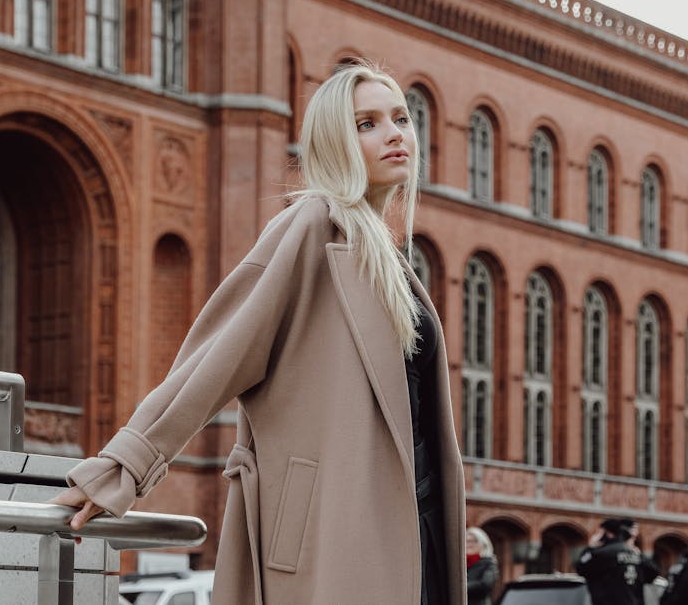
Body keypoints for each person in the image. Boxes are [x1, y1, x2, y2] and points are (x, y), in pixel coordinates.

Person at [50, 60, 466, 604]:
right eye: (367, 124)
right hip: (337, 534)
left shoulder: (387, 258)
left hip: (416, 526)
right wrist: (126, 464)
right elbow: (213, 356)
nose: (393, 134)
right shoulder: (310, 225)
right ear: (335, 143)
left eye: (401, 118)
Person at [576, 519, 649, 605]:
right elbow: (653, 572)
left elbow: (581, 567)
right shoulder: (635, 553)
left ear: (608, 533)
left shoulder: (602, 553)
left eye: (599, 533)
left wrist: (590, 547)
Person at [466, 526, 499, 605]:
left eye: (474, 541)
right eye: (467, 541)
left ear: (483, 544)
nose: (469, 544)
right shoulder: (461, 564)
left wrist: (461, 587)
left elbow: (485, 585)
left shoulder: (489, 563)